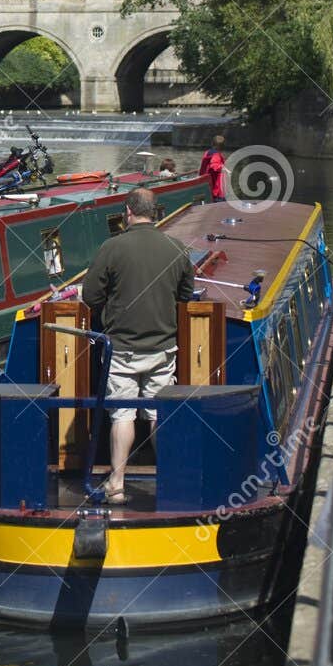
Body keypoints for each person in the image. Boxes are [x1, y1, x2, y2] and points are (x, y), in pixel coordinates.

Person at [82, 185, 195, 503]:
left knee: (122, 414)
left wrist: (110, 309)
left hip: (121, 349)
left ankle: (117, 484)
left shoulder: (112, 247)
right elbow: (186, 294)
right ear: (155, 213)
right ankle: (168, 481)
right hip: (162, 348)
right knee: (158, 413)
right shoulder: (176, 247)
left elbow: (91, 296)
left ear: (128, 212)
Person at [199, 134, 226, 201]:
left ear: (212, 143)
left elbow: (204, 168)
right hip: (217, 190)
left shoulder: (207, 153)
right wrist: (224, 168)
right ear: (222, 147)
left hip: (208, 186)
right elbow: (214, 165)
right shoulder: (216, 155)